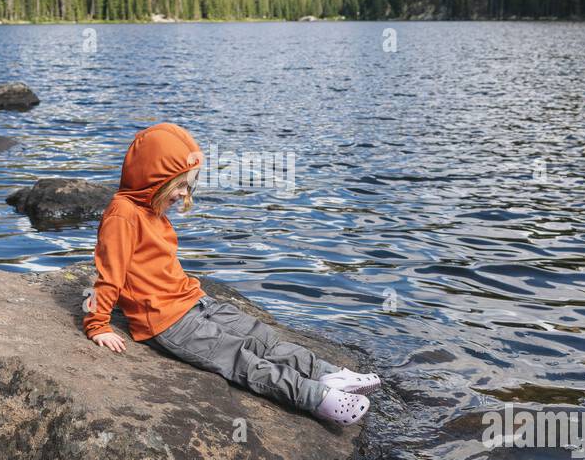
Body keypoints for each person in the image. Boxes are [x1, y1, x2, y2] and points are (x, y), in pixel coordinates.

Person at [83, 122, 378, 426]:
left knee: (262, 337)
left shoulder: (151, 209)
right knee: (241, 358)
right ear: (152, 177)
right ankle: (317, 397)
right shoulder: (123, 213)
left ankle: (327, 374)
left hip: (196, 302)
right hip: (167, 323)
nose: (185, 193)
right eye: (179, 184)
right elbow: (109, 274)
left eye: (188, 184)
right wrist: (97, 325)